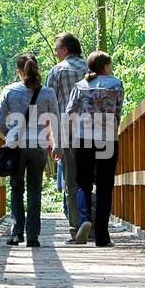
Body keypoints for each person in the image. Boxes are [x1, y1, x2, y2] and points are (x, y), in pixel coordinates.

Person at [0, 53, 59, 247]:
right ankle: (33, 236)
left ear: (19, 71)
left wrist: (12, 135)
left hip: (17, 147)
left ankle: (17, 233)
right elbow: (56, 122)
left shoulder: (9, 91)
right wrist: (56, 145)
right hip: (38, 147)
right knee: (34, 190)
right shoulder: (48, 93)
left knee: (16, 188)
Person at [65, 51, 123, 247]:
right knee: (105, 187)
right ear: (105, 66)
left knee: (83, 183)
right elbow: (118, 110)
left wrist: (71, 138)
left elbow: (69, 112)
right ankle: (102, 236)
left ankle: (85, 220)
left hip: (84, 139)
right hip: (107, 138)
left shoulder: (80, 86)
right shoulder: (116, 84)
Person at [45, 33, 87, 240]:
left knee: (71, 182)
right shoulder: (93, 68)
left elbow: (49, 108)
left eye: (56, 49)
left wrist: (51, 140)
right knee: (89, 180)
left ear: (65, 50)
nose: (55, 53)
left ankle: (75, 227)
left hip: (67, 131)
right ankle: (93, 222)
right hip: (93, 132)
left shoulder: (57, 71)